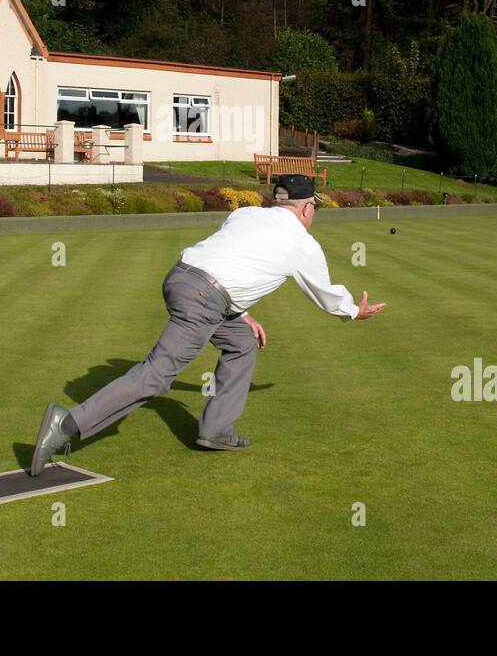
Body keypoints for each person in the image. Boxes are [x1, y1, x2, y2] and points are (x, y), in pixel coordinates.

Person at [31, 174, 386, 476]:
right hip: (203, 298)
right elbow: (325, 296)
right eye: (315, 207)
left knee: (241, 344)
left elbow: (230, 257)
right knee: (156, 376)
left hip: (181, 278)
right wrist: (355, 311)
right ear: (307, 207)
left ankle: (216, 430)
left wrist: (242, 314)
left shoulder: (247, 214)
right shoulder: (302, 243)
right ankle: (66, 424)